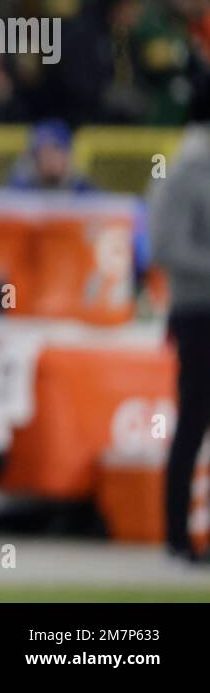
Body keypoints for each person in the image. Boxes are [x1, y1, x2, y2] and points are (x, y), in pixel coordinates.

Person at [148, 84, 210, 565]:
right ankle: (176, 535)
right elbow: (167, 247)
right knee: (193, 422)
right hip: (199, 315)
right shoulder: (185, 172)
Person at [5, 119, 94, 192]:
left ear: (66, 155)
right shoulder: (19, 188)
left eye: (56, 151)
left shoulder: (81, 188)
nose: (50, 160)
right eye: (45, 153)